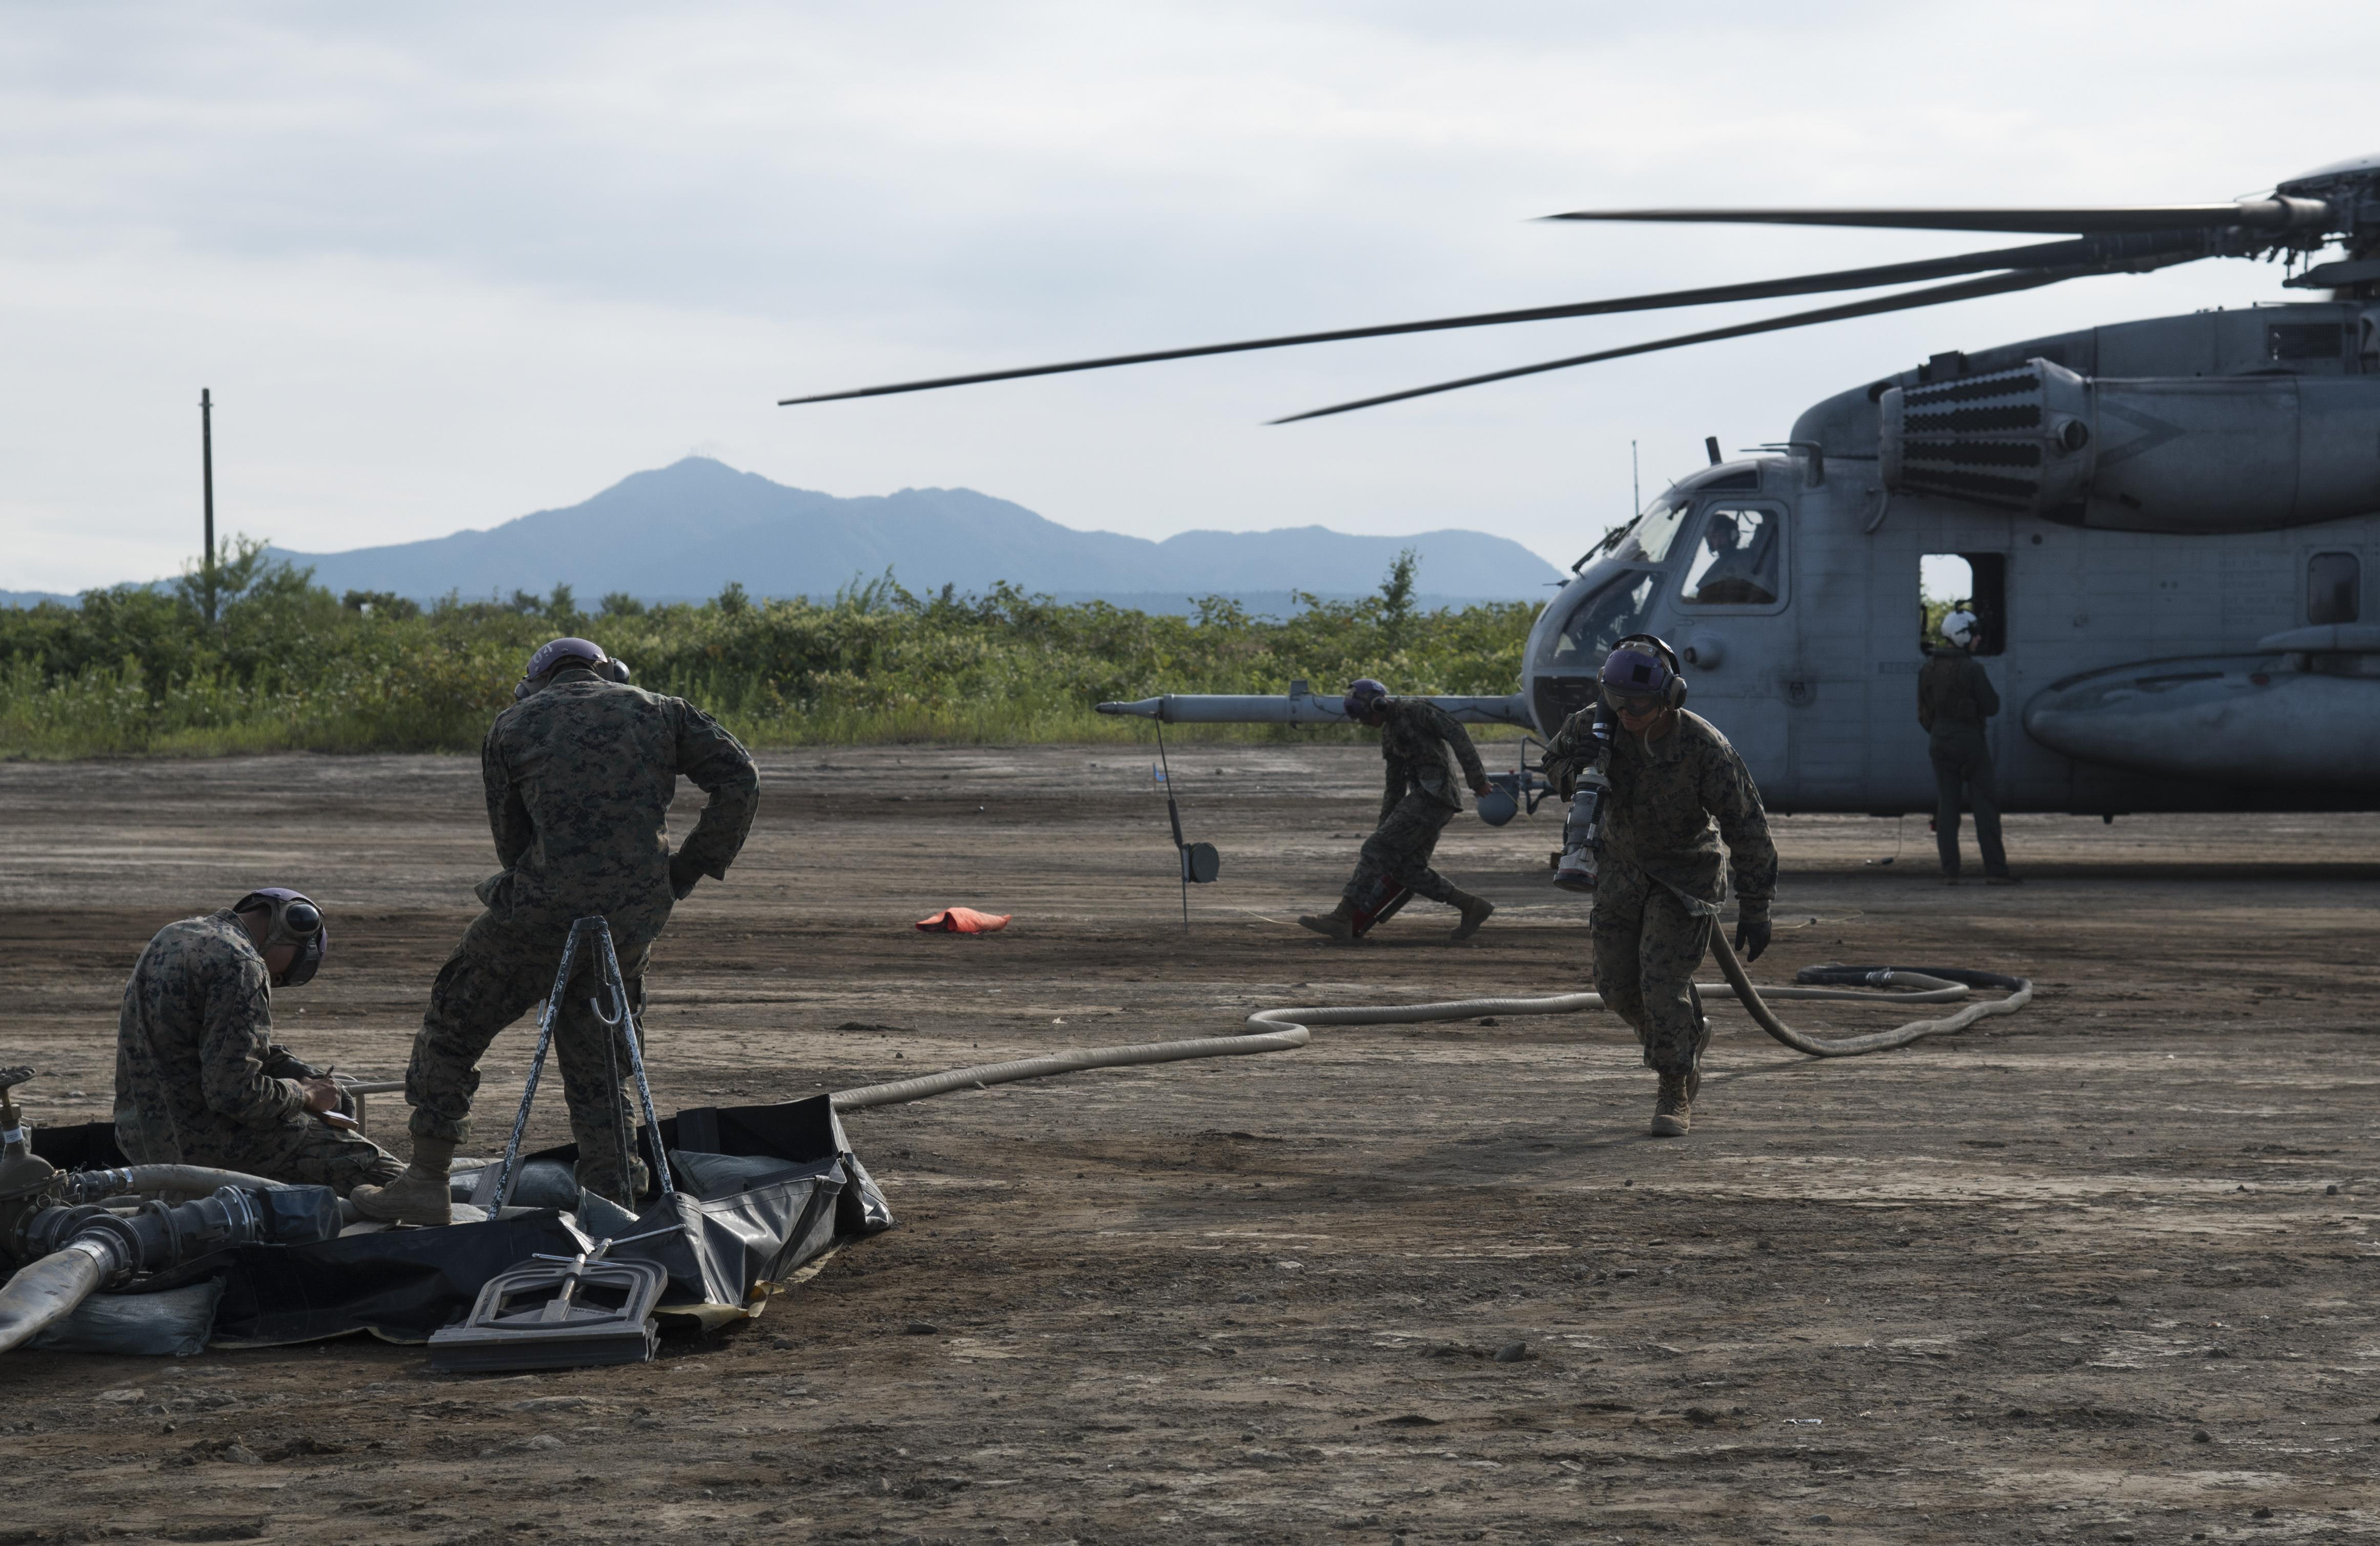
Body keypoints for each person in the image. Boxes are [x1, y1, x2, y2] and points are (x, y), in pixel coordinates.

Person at [352, 637, 759, 1225]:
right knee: (601, 1061)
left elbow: (512, 845)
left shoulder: (511, 725)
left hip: (540, 915)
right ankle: (614, 1204)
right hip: (632, 919)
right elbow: (741, 778)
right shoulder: (661, 710)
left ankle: (426, 1179)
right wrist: (687, 868)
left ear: (535, 685)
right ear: (609, 673)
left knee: (452, 1026)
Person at [1541, 639, 1776, 1137]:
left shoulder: (1703, 746)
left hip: (1684, 877)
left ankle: (1674, 1086)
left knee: (1662, 984)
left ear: (1670, 698)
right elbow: (1552, 763)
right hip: (1619, 872)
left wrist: (1757, 906)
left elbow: (1747, 825)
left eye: (1638, 704)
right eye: (1615, 700)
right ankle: (1684, 1040)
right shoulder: (1593, 726)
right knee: (1614, 987)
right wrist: (1574, 768)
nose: (1625, 713)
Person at [113, 888, 405, 1195]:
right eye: (290, 969)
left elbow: (214, 1042)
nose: (278, 979)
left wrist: (295, 1070)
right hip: (210, 1144)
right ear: (294, 927)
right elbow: (233, 1093)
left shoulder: (175, 935)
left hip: (144, 1137)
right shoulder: (242, 963)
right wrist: (305, 1094)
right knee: (392, 1179)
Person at [1298, 678, 1497, 943]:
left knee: (1375, 850)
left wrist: (1477, 779)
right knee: (1407, 870)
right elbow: (1394, 786)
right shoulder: (1390, 735)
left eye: (1364, 715)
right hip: (1430, 801)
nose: (1364, 722)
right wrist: (1384, 827)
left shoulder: (1416, 711)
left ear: (1378, 704)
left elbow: (1456, 731)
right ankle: (1471, 906)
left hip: (1434, 797)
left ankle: (1343, 917)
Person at [1918, 610, 2018, 885]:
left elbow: (1923, 713)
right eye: (1974, 634)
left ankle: (1950, 872)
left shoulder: (1928, 669)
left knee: (1947, 808)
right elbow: (1992, 706)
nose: (1978, 639)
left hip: (1940, 741)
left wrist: (1941, 732)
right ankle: (1996, 872)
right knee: (1985, 808)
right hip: (1971, 743)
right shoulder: (1973, 669)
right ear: (1961, 636)